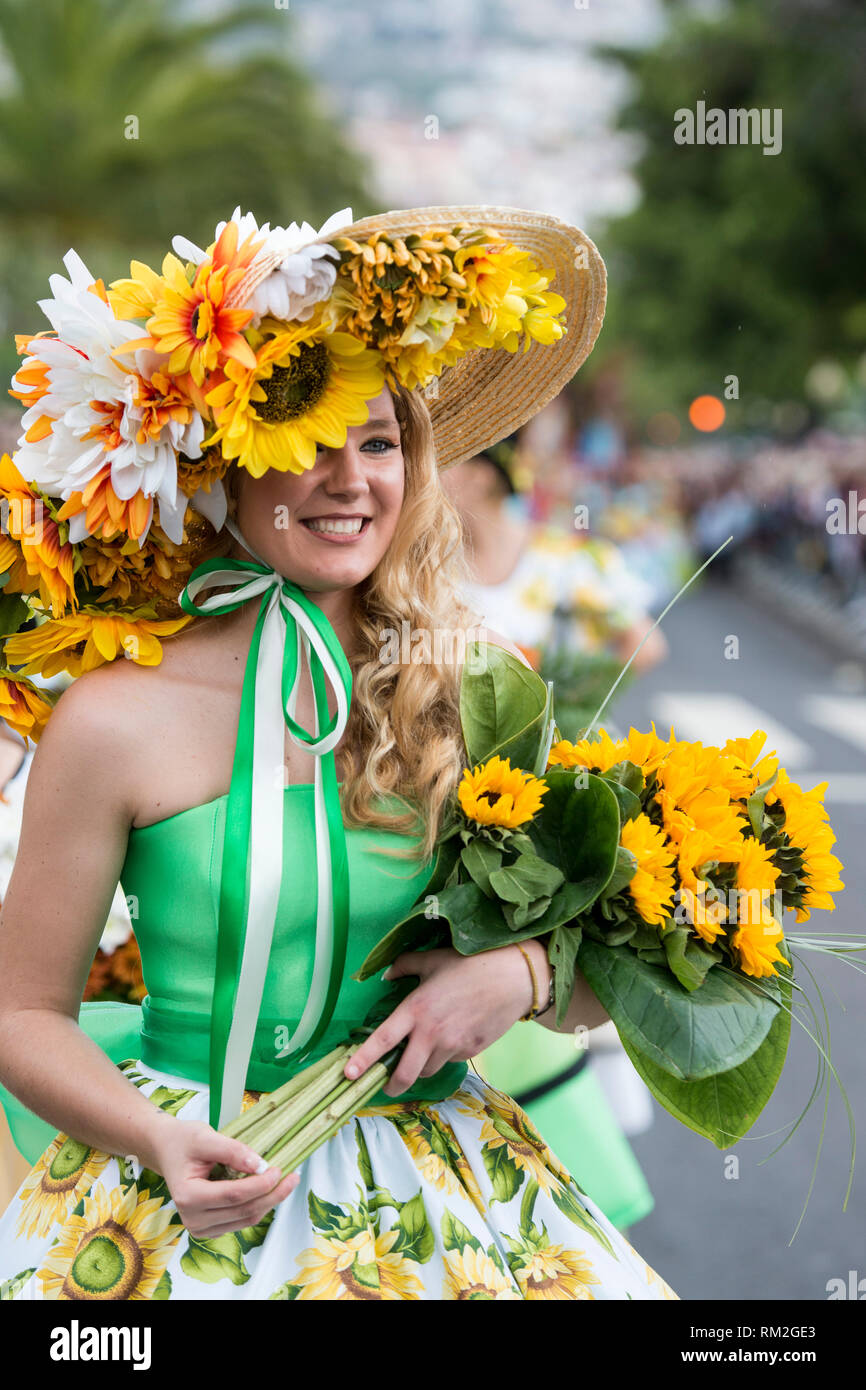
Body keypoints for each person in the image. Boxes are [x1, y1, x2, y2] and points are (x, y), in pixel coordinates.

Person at [0, 203, 677, 1300]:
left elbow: (614, 959)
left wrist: (519, 974)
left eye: (380, 443)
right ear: (219, 463)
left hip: (445, 1198)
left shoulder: (473, 683)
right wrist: (155, 1141)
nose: (350, 480)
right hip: (178, 1201)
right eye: (306, 442)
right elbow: (22, 1012)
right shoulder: (112, 714)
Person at [441, 439, 663, 1232]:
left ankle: (568, 1195)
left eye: (449, 466)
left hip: (563, 798)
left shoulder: (567, 561)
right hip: (479, 807)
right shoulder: (433, 568)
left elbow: (647, 638)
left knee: (562, 1001)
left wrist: (571, 695)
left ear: (479, 475)